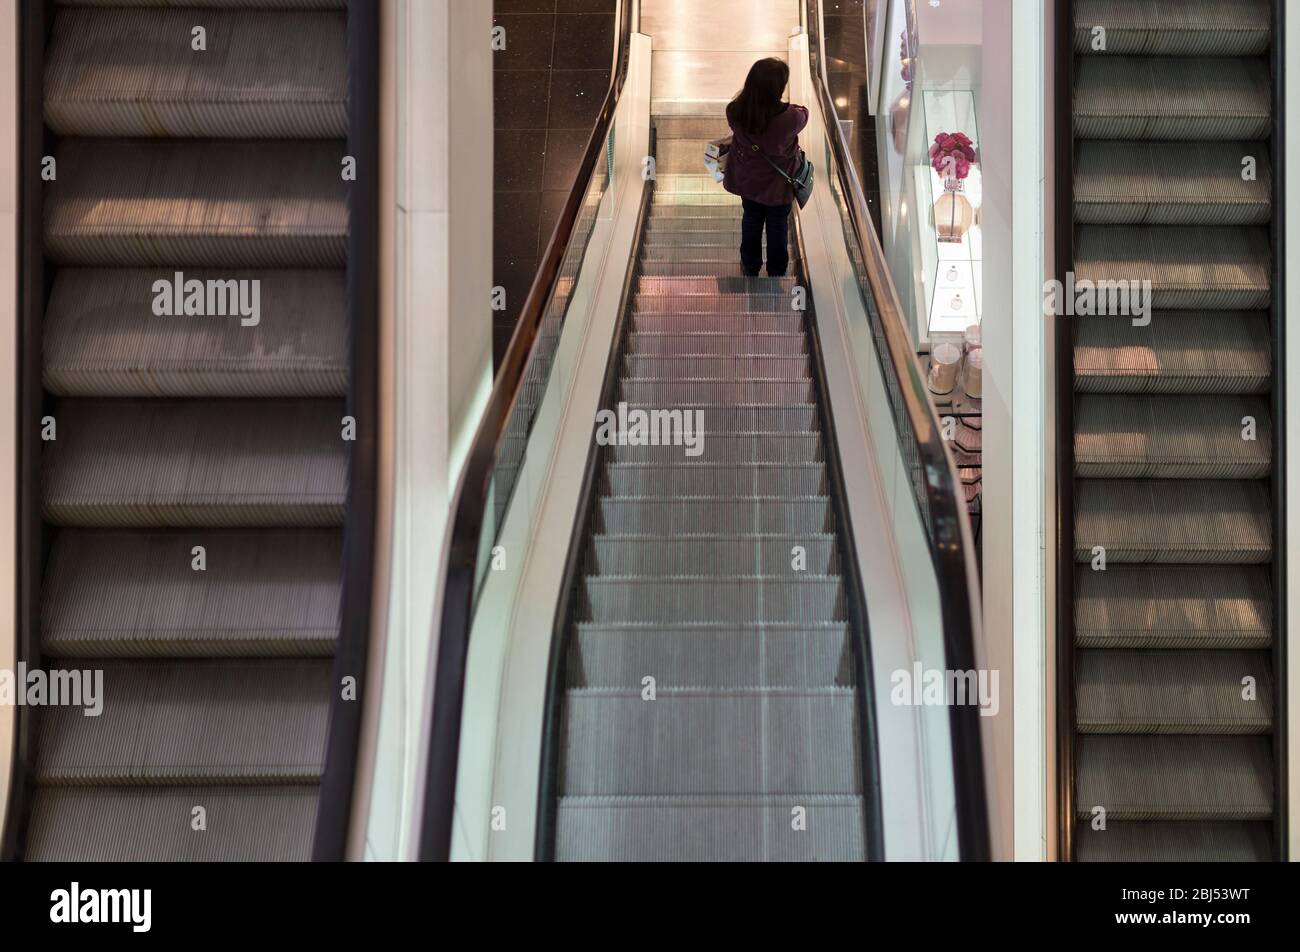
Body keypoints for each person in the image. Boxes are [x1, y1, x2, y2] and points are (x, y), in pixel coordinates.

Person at [722, 58, 809, 278]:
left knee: (751, 220)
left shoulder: (735, 112)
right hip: (780, 186)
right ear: (779, 88)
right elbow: (805, 112)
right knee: (778, 226)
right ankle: (776, 271)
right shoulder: (791, 118)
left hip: (749, 182)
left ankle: (750, 266)